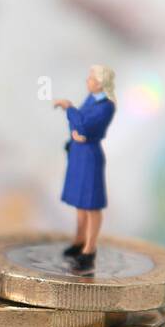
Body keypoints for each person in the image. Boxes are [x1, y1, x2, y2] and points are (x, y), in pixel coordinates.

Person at [52, 65, 115, 273]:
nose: (87, 81)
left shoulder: (107, 106)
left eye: (91, 78)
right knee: (80, 202)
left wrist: (69, 108)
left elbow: (84, 125)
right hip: (78, 153)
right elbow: (77, 126)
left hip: (89, 156)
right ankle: (79, 240)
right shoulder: (90, 99)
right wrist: (76, 127)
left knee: (91, 204)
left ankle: (89, 250)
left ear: (100, 83)